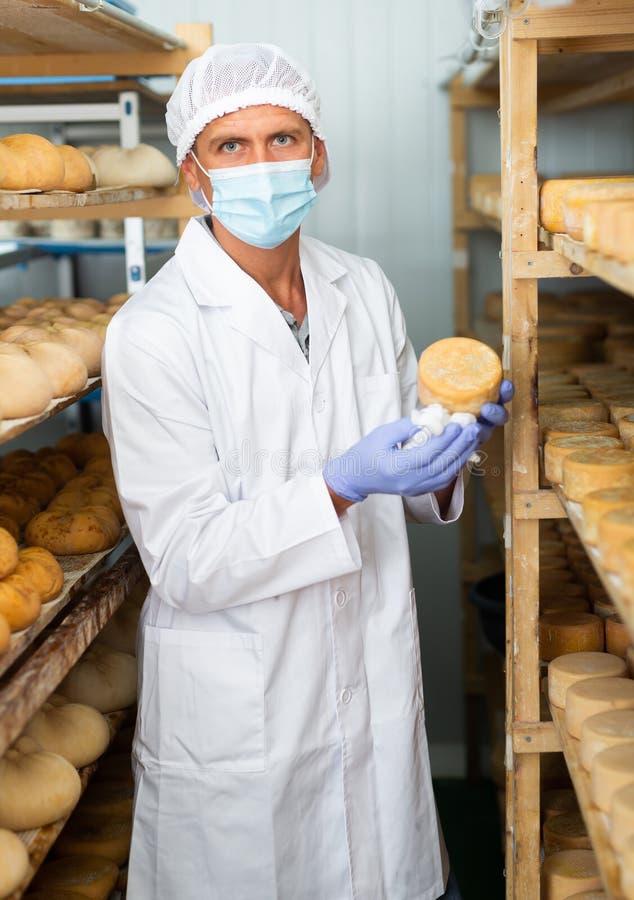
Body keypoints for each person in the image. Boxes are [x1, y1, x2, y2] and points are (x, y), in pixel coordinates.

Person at [102, 42, 513, 900]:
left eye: (283, 139)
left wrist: (450, 448)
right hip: (241, 706)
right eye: (232, 146)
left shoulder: (363, 289)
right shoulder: (154, 331)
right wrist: (340, 484)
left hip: (368, 672)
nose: (262, 164)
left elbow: (415, 478)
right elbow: (183, 559)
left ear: (318, 155)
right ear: (195, 174)